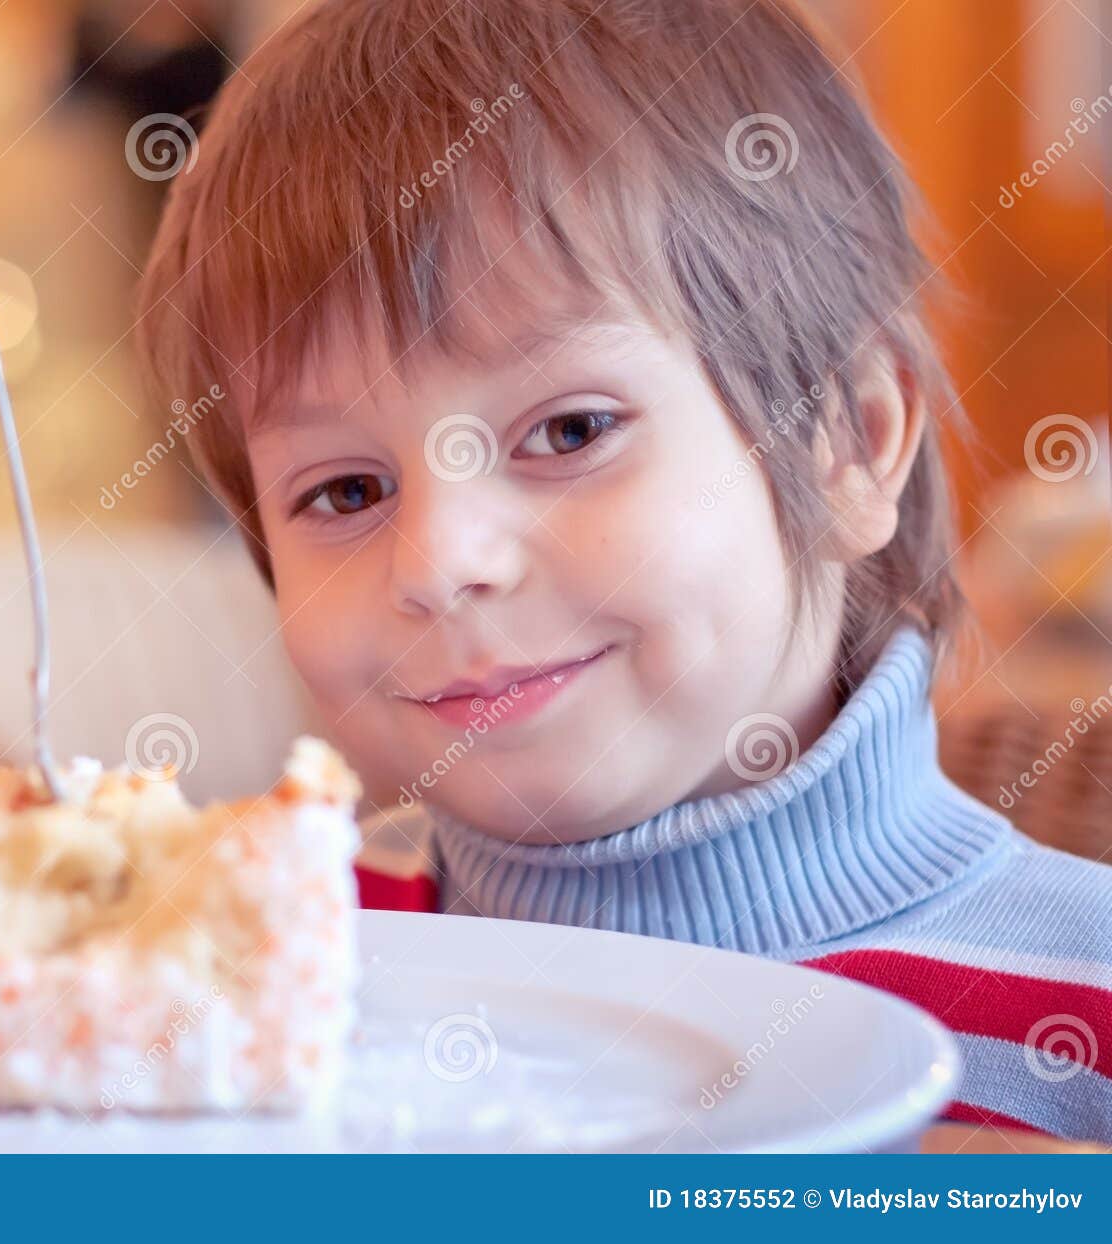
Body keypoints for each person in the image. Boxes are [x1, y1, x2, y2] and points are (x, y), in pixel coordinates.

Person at [132, 0, 1112, 1142]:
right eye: (345, 491)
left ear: (847, 437)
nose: (442, 563)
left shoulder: (1077, 1013)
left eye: (567, 430)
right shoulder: (256, 976)